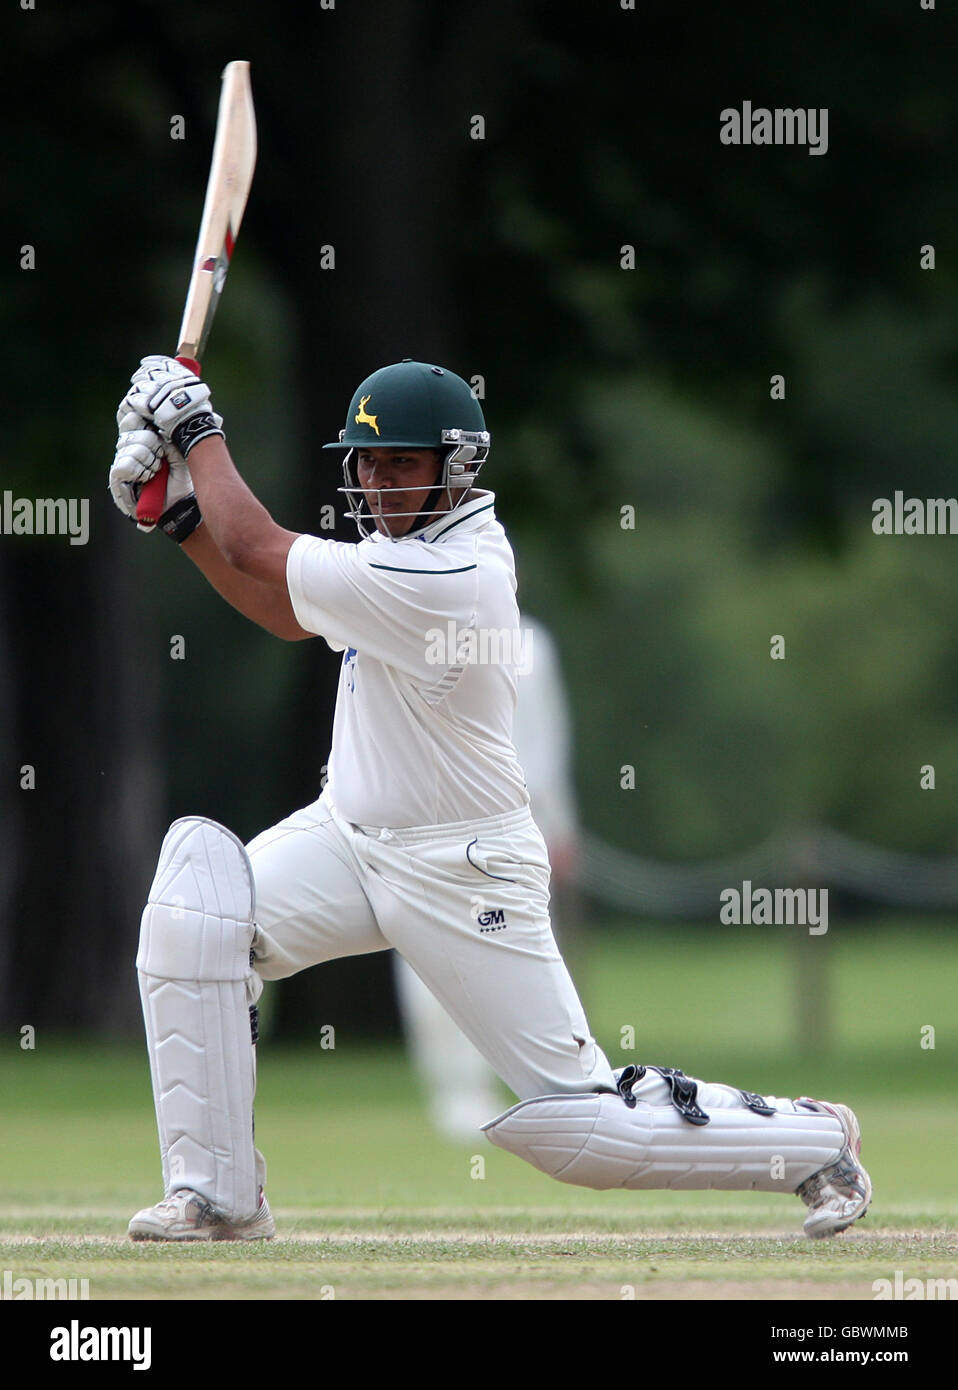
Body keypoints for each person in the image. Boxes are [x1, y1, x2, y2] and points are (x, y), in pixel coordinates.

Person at [109, 356, 871, 1241]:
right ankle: (219, 1196)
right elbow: (281, 606)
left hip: (463, 868)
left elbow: (258, 548)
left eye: (400, 463)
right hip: (349, 838)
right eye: (364, 461)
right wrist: (179, 518)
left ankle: (815, 1141)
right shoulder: (399, 556)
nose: (376, 481)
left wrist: (196, 432)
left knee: (583, 1130)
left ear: (458, 466)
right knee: (194, 919)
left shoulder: (452, 579)